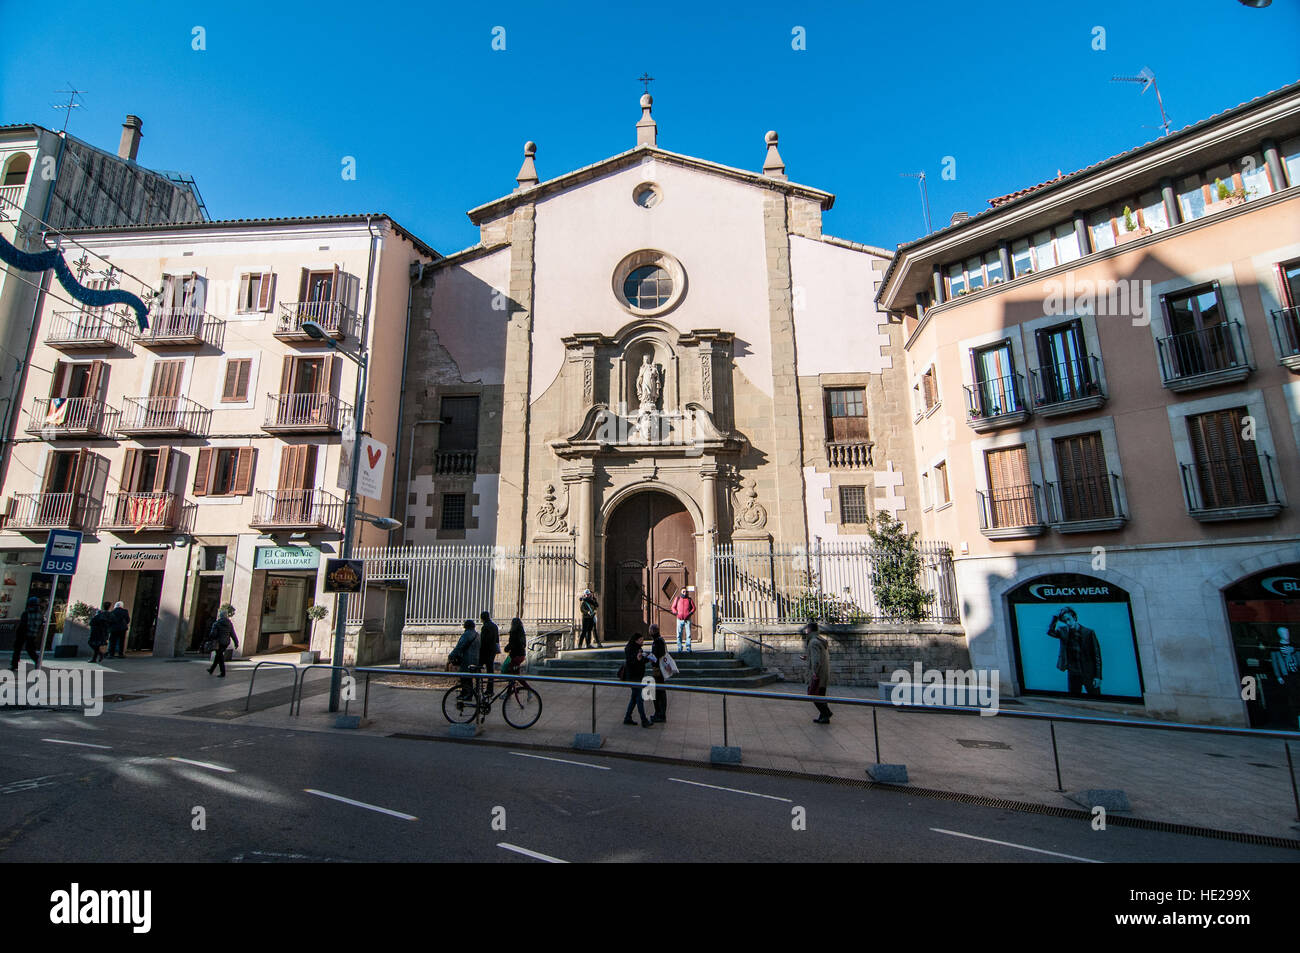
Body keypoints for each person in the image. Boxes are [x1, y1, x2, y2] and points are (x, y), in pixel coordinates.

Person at [1047, 607, 1102, 696]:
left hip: (1089, 672)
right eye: (1065, 621)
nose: (1068, 623)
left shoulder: (1088, 632)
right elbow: (1050, 632)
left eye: (1069, 619)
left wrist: (1098, 676)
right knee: (1074, 697)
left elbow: (1097, 656)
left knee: (1096, 697)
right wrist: (1055, 618)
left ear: (1075, 618)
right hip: (1073, 673)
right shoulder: (1063, 631)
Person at [801, 622, 831, 724]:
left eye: (807, 629)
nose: (805, 631)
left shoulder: (813, 642)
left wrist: (815, 673)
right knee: (820, 694)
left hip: (818, 674)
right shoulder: (819, 639)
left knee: (813, 694)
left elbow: (816, 660)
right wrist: (807, 657)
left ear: (810, 630)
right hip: (823, 672)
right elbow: (817, 656)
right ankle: (824, 715)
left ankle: (826, 713)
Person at [622, 632, 653, 728]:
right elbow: (632, 662)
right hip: (633, 677)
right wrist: (638, 659)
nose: (642, 642)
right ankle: (644, 720)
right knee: (639, 698)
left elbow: (641, 661)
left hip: (638, 676)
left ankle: (627, 717)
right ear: (636, 640)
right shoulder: (630, 649)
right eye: (641, 640)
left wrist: (648, 659)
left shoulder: (638, 648)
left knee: (634, 698)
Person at [9, 597, 43, 671]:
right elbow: (40, 625)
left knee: (17, 649)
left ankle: (14, 665)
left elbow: (22, 625)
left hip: (23, 633)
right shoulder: (40, 614)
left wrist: (18, 634)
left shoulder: (26, 613)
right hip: (33, 634)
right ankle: (37, 661)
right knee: (30, 650)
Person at [450, 619, 480, 700]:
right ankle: (468, 693)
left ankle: (466, 694)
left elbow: (459, 647)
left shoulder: (467, 635)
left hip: (467, 659)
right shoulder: (477, 635)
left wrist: (451, 656)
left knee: (464, 677)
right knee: (469, 678)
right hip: (476, 660)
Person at [206, 608, 239, 677]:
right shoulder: (229, 624)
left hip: (219, 642)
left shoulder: (217, 623)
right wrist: (236, 642)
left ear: (220, 616)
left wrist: (210, 638)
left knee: (220, 656)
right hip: (226, 642)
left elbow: (213, 634)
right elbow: (233, 634)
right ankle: (211, 669)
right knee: (218, 655)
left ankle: (222, 672)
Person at [648, 623, 669, 723]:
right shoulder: (660, 640)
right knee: (659, 691)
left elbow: (657, 657)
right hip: (659, 669)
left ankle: (660, 714)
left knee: (658, 692)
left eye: (650, 630)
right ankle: (659, 713)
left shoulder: (657, 642)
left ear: (652, 631)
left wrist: (648, 657)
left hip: (658, 670)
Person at [479, 611, 500, 696]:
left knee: (477, 667)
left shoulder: (485, 627)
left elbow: (483, 641)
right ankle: (490, 689)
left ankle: (478, 685)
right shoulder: (494, 626)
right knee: (490, 670)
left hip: (485, 651)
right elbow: (497, 639)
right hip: (492, 651)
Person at [670, 588, 695, 653]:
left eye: (686, 592)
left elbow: (694, 608)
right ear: (681, 592)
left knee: (688, 634)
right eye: (683, 592)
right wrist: (676, 613)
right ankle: (679, 647)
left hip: (687, 619)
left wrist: (690, 613)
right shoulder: (677, 599)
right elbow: (673, 607)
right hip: (679, 619)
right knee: (679, 634)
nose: (685, 593)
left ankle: (688, 647)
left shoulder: (689, 599)